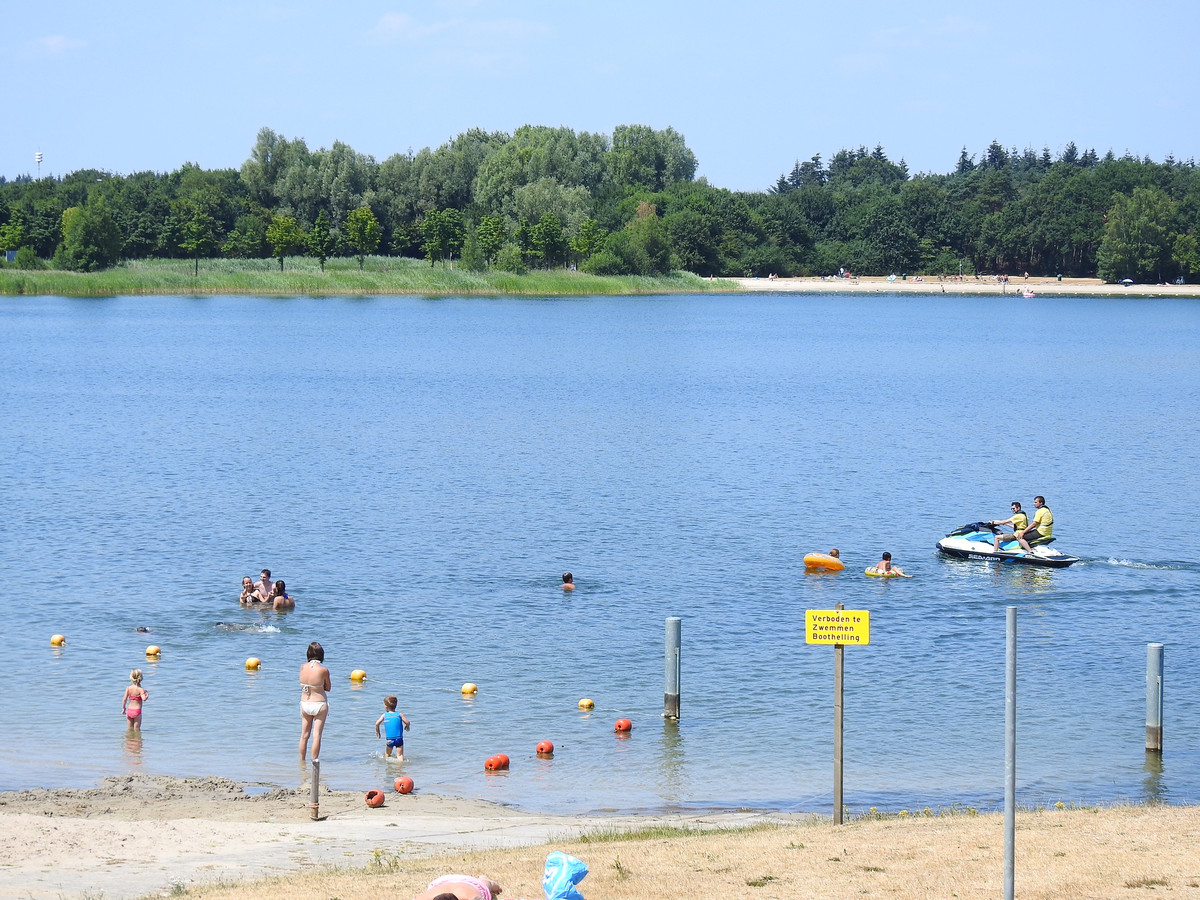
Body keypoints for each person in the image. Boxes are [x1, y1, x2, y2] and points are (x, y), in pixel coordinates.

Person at [299, 641, 330, 763]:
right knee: (316, 735)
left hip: (305, 702)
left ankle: (301, 763)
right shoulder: (324, 670)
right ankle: (314, 762)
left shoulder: (302, 667)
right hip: (319, 704)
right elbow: (328, 688)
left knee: (304, 735)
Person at [375, 695, 411, 761]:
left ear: (386, 707)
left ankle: (387, 767)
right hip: (399, 739)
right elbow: (408, 722)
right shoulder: (399, 714)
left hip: (389, 740)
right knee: (400, 755)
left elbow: (377, 723)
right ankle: (400, 769)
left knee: (387, 754)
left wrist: (378, 732)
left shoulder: (384, 715)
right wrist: (407, 727)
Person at [413, 875, 503, 900]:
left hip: (472, 884)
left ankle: (484, 878)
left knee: (487, 884)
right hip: (440, 882)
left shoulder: (470, 897)